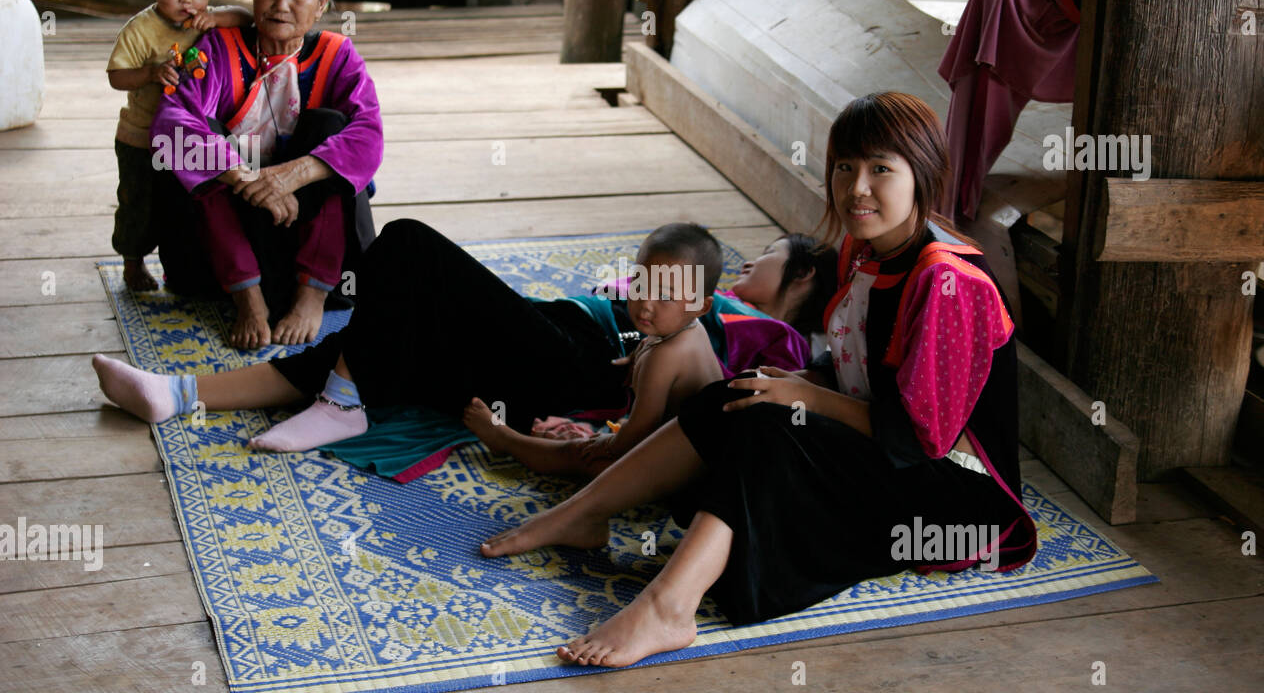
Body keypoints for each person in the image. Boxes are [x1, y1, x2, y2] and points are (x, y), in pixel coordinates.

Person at [477, 91, 1039, 669]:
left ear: (923, 175)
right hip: (887, 454)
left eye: (880, 170)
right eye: (844, 167)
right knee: (740, 392)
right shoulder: (860, 248)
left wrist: (803, 395)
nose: (857, 188)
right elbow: (858, 369)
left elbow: (922, 437)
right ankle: (584, 514)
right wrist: (793, 382)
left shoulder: (949, 281)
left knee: (772, 424)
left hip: (951, 498)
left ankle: (670, 606)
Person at [91, 220, 837, 466]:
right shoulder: (677, 312)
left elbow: (657, 426)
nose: (751, 265)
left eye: (766, 260)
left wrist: (515, 438)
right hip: (562, 349)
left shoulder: (767, 336)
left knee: (406, 245)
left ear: (799, 283)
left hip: (560, 360)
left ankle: (344, 402)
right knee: (390, 335)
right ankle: (177, 394)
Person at [150, 0, 382, 349]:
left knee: (332, 126)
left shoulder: (338, 56)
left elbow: (368, 135)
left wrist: (289, 177)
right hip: (229, 238)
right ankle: (247, 298)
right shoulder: (218, 48)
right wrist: (245, 177)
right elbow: (172, 126)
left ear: (323, 3)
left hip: (311, 233)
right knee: (205, 136)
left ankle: (312, 294)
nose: (281, 4)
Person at [462, 223, 726, 478]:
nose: (645, 304)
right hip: (693, 448)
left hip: (682, 469)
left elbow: (641, 430)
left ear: (700, 307)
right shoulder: (689, 329)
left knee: (582, 456)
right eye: (639, 286)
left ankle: (507, 440)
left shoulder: (665, 356)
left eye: (665, 296)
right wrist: (635, 358)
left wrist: (604, 445)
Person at [106, 0, 252, 292]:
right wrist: (151, 73)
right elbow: (117, 77)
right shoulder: (140, 30)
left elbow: (246, 18)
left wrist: (216, 18)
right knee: (138, 205)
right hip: (140, 139)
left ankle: (178, 264)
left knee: (175, 205)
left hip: (182, 140)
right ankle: (133, 261)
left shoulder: (201, 21)